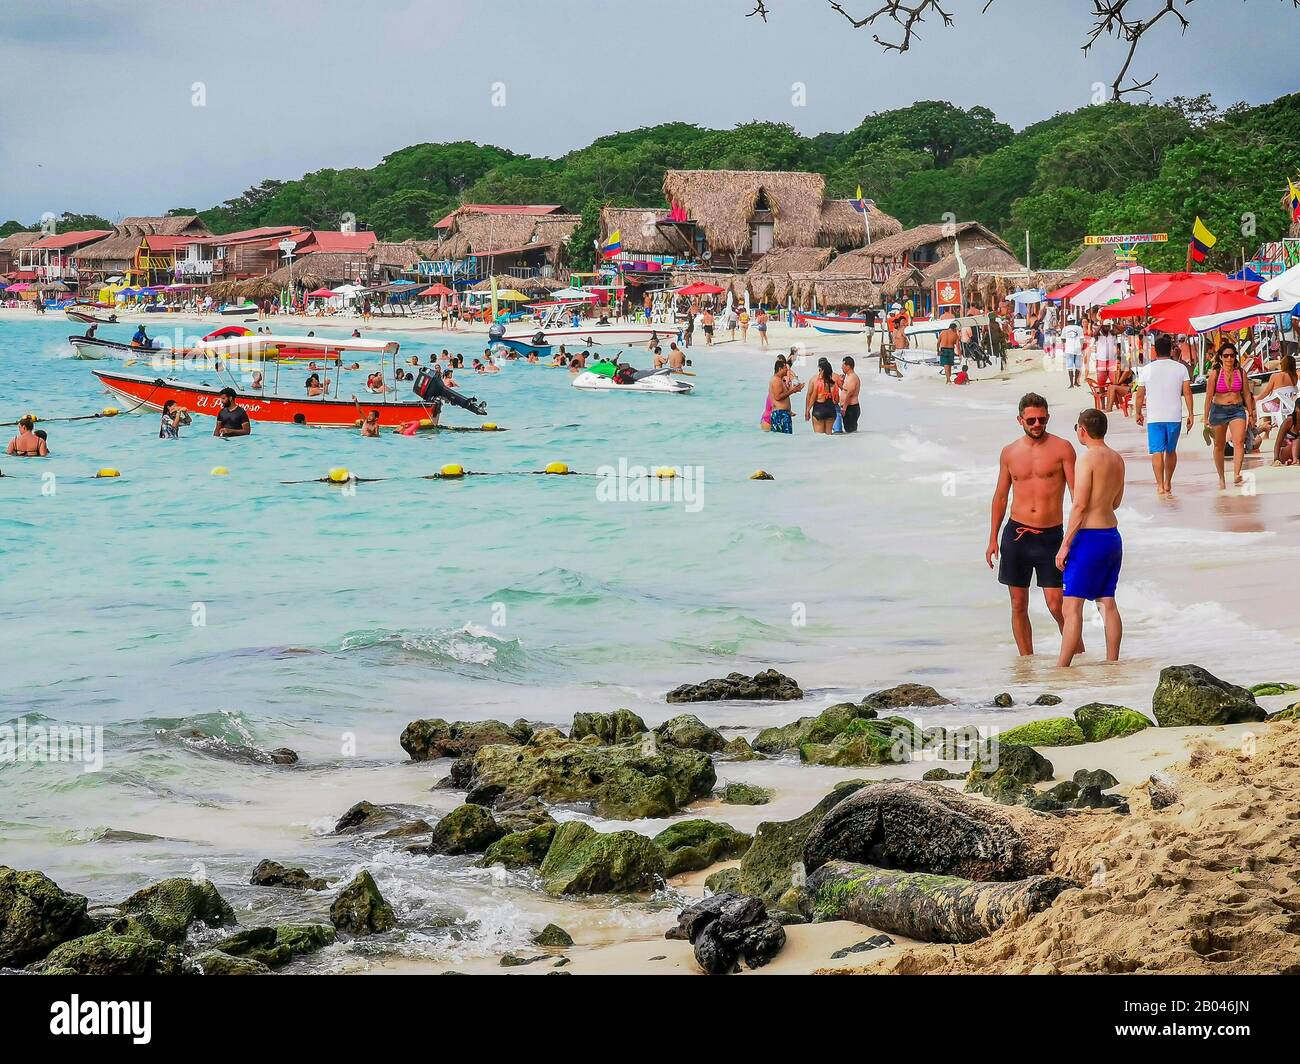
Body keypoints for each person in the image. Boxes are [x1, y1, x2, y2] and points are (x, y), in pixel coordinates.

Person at [986, 393, 1079, 658]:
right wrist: (992, 538)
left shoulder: (1063, 448)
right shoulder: (1009, 453)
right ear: (1020, 420)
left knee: (1057, 605)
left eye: (1041, 419)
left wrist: (1076, 535)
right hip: (1016, 536)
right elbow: (1001, 496)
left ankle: (1080, 661)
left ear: (1048, 417)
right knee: (1018, 604)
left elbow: (1076, 494)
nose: (1037, 424)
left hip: (1052, 536)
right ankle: (1027, 665)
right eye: (1031, 420)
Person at [1055, 408, 1125, 667]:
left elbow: (1079, 505)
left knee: (1071, 608)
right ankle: (1112, 663)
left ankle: (1062, 668)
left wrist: (1064, 546)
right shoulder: (1117, 459)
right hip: (1112, 537)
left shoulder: (1086, 459)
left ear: (1082, 430)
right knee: (1107, 602)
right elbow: (1116, 502)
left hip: (1088, 540)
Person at [1134, 333, 1194, 496]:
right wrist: (1191, 414)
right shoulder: (1181, 368)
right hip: (1174, 416)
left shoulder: (1146, 370)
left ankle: (1160, 485)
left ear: (1155, 351)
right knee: (1171, 451)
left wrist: (1138, 412)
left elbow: (1140, 394)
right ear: (1170, 350)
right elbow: (1187, 393)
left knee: (1157, 452)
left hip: (1154, 417)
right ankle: (1168, 482)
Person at [1204, 343, 1257, 489]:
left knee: (1239, 441)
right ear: (1220, 357)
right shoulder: (1215, 374)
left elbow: (1246, 393)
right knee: (1219, 446)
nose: (1229, 358)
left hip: (1237, 409)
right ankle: (1221, 477)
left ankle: (1236, 474)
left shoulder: (1240, 372)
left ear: (1235, 357)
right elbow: (1208, 396)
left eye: (1232, 355)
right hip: (1218, 410)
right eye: (1226, 355)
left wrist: (1251, 413)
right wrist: (1205, 416)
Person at [767, 358, 802, 434]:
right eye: (785, 368)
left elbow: (785, 394)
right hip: (780, 414)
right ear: (780, 369)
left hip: (783, 413)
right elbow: (778, 397)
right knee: (784, 438)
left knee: (786, 439)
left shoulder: (780, 380)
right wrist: (792, 391)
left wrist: (795, 389)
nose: (787, 370)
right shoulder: (776, 380)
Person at [805, 358, 839, 434]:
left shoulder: (818, 383)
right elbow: (837, 400)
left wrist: (807, 410)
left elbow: (813, 398)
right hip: (831, 411)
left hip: (819, 410)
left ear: (822, 371)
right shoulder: (833, 384)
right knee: (829, 436)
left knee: (819, 438)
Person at [1091, 324, 1119, 406]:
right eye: (1105, 326)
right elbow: (1094, 334)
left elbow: (1121, 330)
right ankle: (1103, 404)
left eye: (1108, 326)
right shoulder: (1098, 334)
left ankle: (1113, 402)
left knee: (1114, 382)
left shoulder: (1112, 334)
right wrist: (1101, 324)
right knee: (1101, 384)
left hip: (1111, 360)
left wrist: (1114, 324)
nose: (1107, 328)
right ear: (1102, 326)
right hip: (1101, 360)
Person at [839, 355, 861, 433]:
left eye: (843, 365)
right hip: (848, 407)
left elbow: (850, 394)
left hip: (851, 408)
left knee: (851, 432)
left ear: (848, 366)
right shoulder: (848, 377)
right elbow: (844, 390)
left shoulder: (853, 377)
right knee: (849, 432)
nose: (842, 367)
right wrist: (841, 382)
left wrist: (844, 408)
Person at [937, 318, 959, 385]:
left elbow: (938, 343)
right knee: (949, 365)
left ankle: (948, 380)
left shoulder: (942, 332)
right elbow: (957, 346)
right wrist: (960, 354)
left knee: (946, 365)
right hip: (951, 350)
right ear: (954, 328)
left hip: (943, 350)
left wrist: (937, 350)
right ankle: (948, 379)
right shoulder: (955, 335)